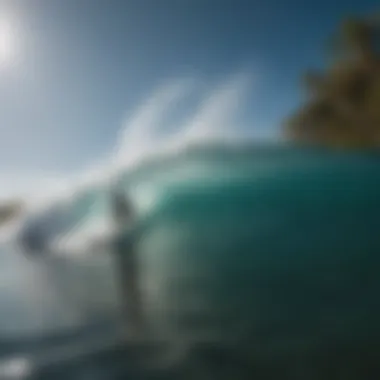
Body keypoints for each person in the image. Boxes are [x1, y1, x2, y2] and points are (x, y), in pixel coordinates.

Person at [110, 189, 144, 338]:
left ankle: (134, 317)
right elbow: (127, 218)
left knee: (129, 283)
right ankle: (134, 317)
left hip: (126, 250)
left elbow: (129, 218)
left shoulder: (121, 206)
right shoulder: (121, 206)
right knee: (129, 283)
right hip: (125, 250)